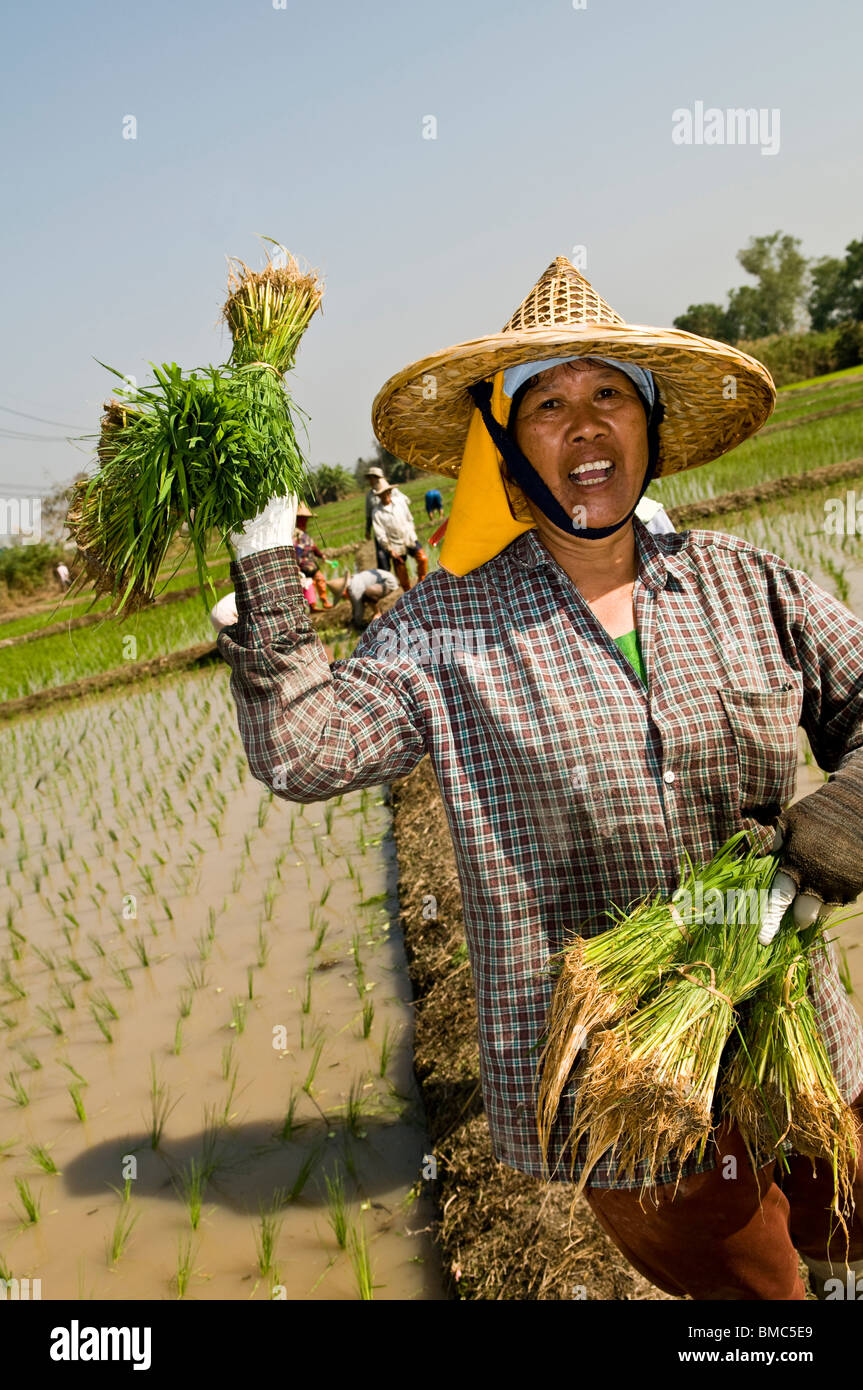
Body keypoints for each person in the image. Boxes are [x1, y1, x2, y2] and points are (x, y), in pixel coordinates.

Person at [212, 255, 863, 1301]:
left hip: (796, 1031)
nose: (583, 423)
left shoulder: (745, 583)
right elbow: (301, 750)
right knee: (759, 1304)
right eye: (547, 403)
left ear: (648, 427)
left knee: (845, 1228)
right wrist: (265, 575)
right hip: (625, 1086)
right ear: (509, 450)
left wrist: (848, 811)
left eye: (608, 392)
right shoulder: (441, 627)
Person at [370, 478, 428, 590]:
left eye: (387, 492)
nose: (385, 495)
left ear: (390, 492)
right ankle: (409, 593)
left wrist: (412, 533)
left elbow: (409, 518)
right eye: (382, 494)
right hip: (395, 545)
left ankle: (422, 583)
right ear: (379, 496)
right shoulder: (377, 513)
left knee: (423, 558)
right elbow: (380, 534)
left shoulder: (400, 502)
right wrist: (389, 549)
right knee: (402, 573)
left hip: (409, 538)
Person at [327, 567, 401, 627]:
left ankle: (378, 613)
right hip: (382, 581)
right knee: (366, 595)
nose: (344, 599)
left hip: (388, 583)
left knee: (367, 594)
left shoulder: (354, 590)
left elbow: (359, 608)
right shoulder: (352, 582)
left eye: (342, 597)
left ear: (344, 592)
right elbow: (355, 605)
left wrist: (357, 624)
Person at [293, 502, 332, 610]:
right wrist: (297, 566)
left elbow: (313, 547)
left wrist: (321, 555)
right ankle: (313, 606)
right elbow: (294, 551)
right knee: (309, 585)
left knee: (320, 580)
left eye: (305, 519)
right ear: (296, 519)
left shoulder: (306, 534)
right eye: (302, 518)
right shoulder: (294, 534)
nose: (304, 521)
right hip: (302, 565)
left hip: (312, 564)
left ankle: (325, 601)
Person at [364, 466, 392, 571]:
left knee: (398, 557)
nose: (371, 481)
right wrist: (367, 530)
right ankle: (388, 580)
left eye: (373, 478)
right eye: (370, 478)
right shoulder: (369, 496)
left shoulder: (391, 491)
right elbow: (368, 515)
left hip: (392, 528)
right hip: (379, 530)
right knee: (382, 557)